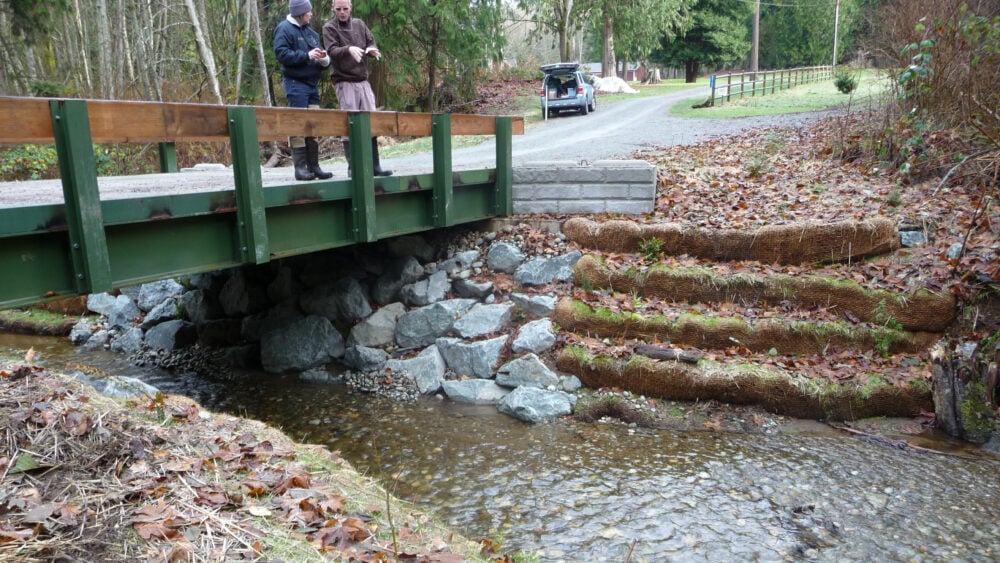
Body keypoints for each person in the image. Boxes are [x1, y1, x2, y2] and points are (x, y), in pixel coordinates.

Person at [322, 0, 392, 177]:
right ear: (333, 8)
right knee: (349, 124)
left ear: (350, 7)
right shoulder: (329, 28)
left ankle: (374, 166)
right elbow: (332, 51)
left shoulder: (359, 24)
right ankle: (353, 168)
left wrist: (372, 50)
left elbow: (371, 42)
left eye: (345, 8)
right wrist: (349, 49)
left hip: (363, 80)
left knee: (372, 122)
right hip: (344, 81)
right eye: (339, 9)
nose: (342, 12)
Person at [273, 0, 333, 181]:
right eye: (308, 11)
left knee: (313, 124)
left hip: (312, 85)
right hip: (295, 83)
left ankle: (314, 167)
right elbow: (281, 54)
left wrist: (323, 59)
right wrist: (306, 55)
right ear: (300, 12)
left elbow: (324, 59)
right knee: (298, 125)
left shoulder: (312, 33)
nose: (311, 14)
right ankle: (300, 169)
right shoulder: (284, 29)